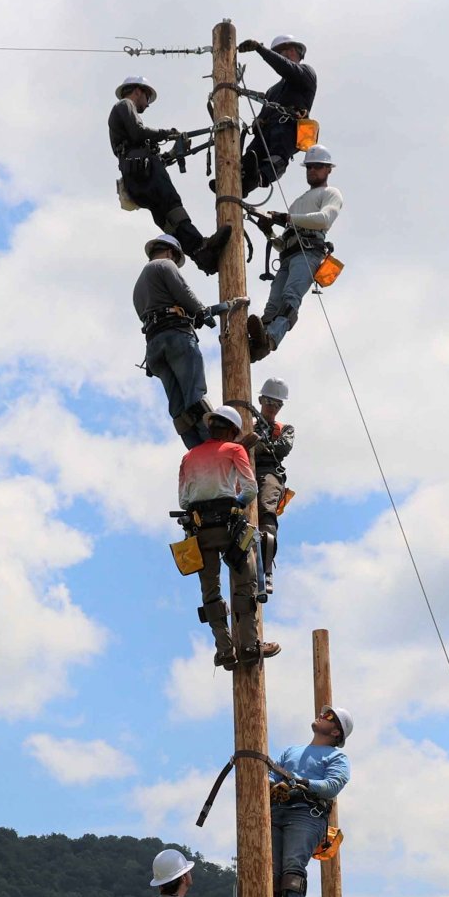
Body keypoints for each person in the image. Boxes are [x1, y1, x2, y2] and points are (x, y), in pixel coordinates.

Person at [234, 705, 351, 897]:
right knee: (267, 869)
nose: (322, 715)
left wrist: (302, 783)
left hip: (307, 814)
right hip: (277, 811)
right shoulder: (291, 751)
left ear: (336, 733)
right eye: (324, 713)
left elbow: (332, 785)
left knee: (293, 867)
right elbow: (272, 778)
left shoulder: (336, 758)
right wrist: (267, 784)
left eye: (329, 716)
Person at [175, 405, 281, 671]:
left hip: (200, 532)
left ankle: (224, 650)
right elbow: (250, 489)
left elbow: (184, 501)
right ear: (233, 431)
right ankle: (249, 646)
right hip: (229, 529)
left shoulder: (188, 457)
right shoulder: (235, 450)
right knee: (245, 583)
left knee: (210, 591)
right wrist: (236, 503)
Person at [109, 76, 230, 274]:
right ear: (138, 91)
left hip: (138, 178)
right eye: (147, 97)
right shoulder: (124, 105)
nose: (147, 104)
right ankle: (201, 247)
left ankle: (201, 256)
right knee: (172, 206)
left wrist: (172, 153)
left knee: (167, 219)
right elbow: (138, 132)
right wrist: (167, 133)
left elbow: (142, 148)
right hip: (144, 174)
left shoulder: (128, 138)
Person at [135, 235, 236, 449]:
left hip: (154, 349)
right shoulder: (165, 265)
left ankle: (196, 450)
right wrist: (201, 311)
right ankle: (214, 445)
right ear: (171, 252)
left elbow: (159, 310)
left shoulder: (139, 286)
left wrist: (193, 315)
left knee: (178, 407)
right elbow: (183, 291)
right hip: (176, 339)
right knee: (194, 396)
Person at [246, 148, 342, 359]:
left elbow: (324, 219)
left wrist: (286, 218)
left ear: (328, 169)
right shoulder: (297, 202)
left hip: (309, 255)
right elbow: (283, 244)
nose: (312, 170)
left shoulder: (331, 193)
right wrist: (268, 231)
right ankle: (258, 344)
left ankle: (271, 339)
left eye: (318, 166)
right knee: (272, 306)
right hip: (288, 256)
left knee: (290, 297)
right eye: (309, 167)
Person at [237, 35, 317, 194]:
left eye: (290, 49)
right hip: (265, 133)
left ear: (298, 52)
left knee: (276, 158)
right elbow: (264, 113)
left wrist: (259, 48)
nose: (287, 53)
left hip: (287, 129)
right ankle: (235, 181)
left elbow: (287, 68)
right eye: (282, 51)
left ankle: (260, 178)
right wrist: (258, 122)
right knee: (250, 157)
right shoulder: (273, 91)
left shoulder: (306, 73)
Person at [250, 377, 295, 601]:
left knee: (266, 511)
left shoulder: (284, 429)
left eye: (278, 404)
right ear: (260, 400)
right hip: (244, 471)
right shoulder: (246, 424)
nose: (273, 408)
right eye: (269, 402)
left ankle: (266, 568)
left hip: (269, 473)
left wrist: (258, 445)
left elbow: (282, 449)